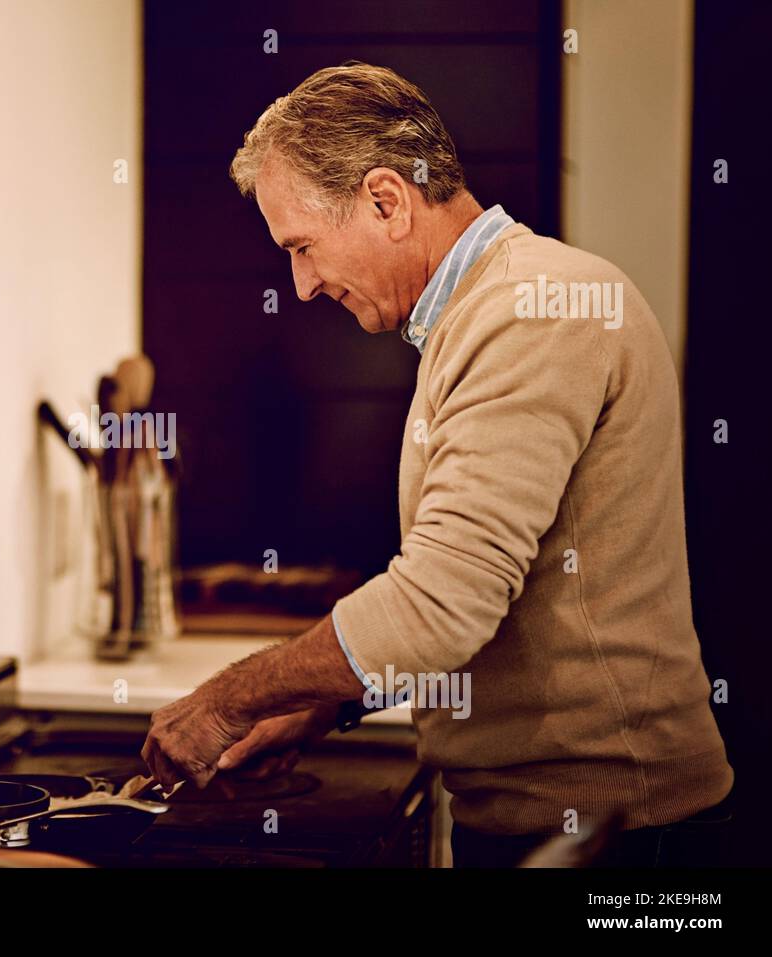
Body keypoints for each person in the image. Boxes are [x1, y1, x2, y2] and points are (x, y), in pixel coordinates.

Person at [139, 62, 734, 868]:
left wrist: (228, 699)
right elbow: (488, 607)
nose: (302, 285)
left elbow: (441, 602)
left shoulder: (530, 311)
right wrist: (323, 703)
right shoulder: (486, 311)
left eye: (303, 247)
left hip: (612, 833)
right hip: (566, 818)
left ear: (387, 200)